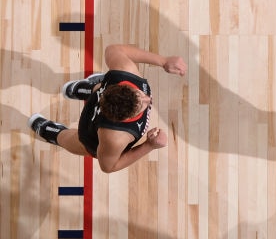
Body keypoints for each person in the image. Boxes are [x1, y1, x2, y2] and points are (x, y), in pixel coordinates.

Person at [28, 44, 187, 173]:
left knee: (100, 86)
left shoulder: (123, 72)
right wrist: (149, 146)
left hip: (103, 94)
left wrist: (163, 60)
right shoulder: (114, 137)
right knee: (69, 139)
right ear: (124, 119)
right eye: (142, 105)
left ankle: (88, 89)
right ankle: (53, 133)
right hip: (90, 131)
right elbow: (108, 166)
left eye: (140, 95)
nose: (148, 98)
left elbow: (114, 49)